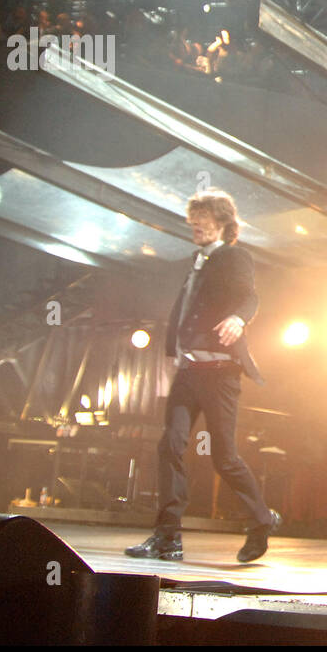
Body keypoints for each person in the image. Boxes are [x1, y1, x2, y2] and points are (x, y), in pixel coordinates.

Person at [126, 190, 280, 562]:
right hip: (189, 371)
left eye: (202, 217)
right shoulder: (197, 260)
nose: (194, 223)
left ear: (223, 222)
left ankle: (260, 518)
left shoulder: (233, 256)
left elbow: (250, 297)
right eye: (192, 217)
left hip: (220, 374)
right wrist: (174, 350)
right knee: (171, 444)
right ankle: (167, 537)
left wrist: (238, 319)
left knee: (224, 457)